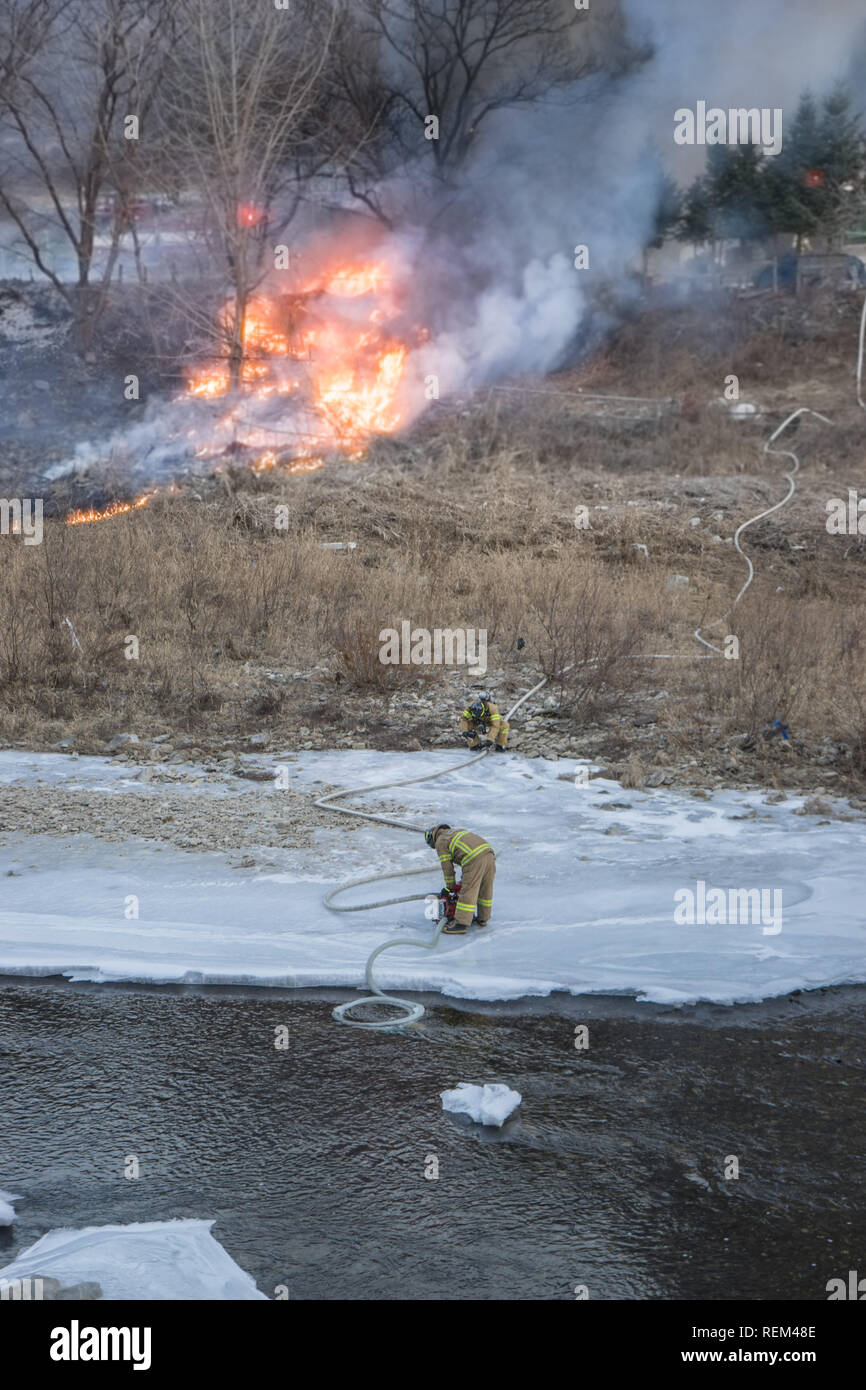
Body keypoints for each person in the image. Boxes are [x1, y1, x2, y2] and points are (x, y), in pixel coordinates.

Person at [424, 824, 496, 934]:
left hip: (473, 858)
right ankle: (483, 918)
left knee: (468, 890)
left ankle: (460, 924)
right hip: (489, 853)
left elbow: (447, 869)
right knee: (485, 888)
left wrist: (450, 888)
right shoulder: (455, 832)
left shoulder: (441, 841)